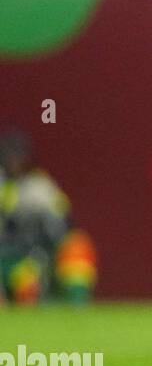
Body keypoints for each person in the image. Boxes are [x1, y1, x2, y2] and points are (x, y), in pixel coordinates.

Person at [0, 130, 96, 304]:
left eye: (17, 155)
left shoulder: (39, 187)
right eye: (8, 155)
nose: (13, 161)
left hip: (27, 256)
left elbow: (64, 224)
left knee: (77, 245)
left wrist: (41, 247)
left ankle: (77, 306)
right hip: (4, 255)